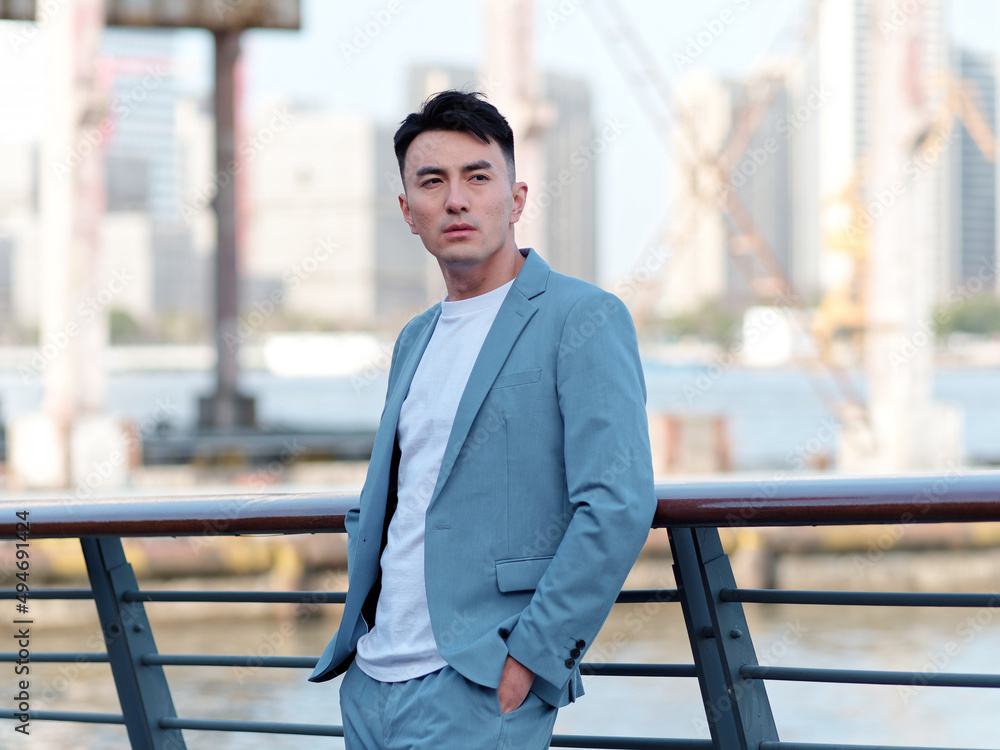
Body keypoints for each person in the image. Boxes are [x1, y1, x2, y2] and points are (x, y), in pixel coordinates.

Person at [309, 89, 655, 749]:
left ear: (517, 198)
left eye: (477, 176)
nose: (456, 199)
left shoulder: (582, 318)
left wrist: (530, 662)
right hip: (370, 683)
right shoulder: (415, 337)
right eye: (432, 182)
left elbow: (616, 502)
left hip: (475, 688)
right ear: (409, 213)